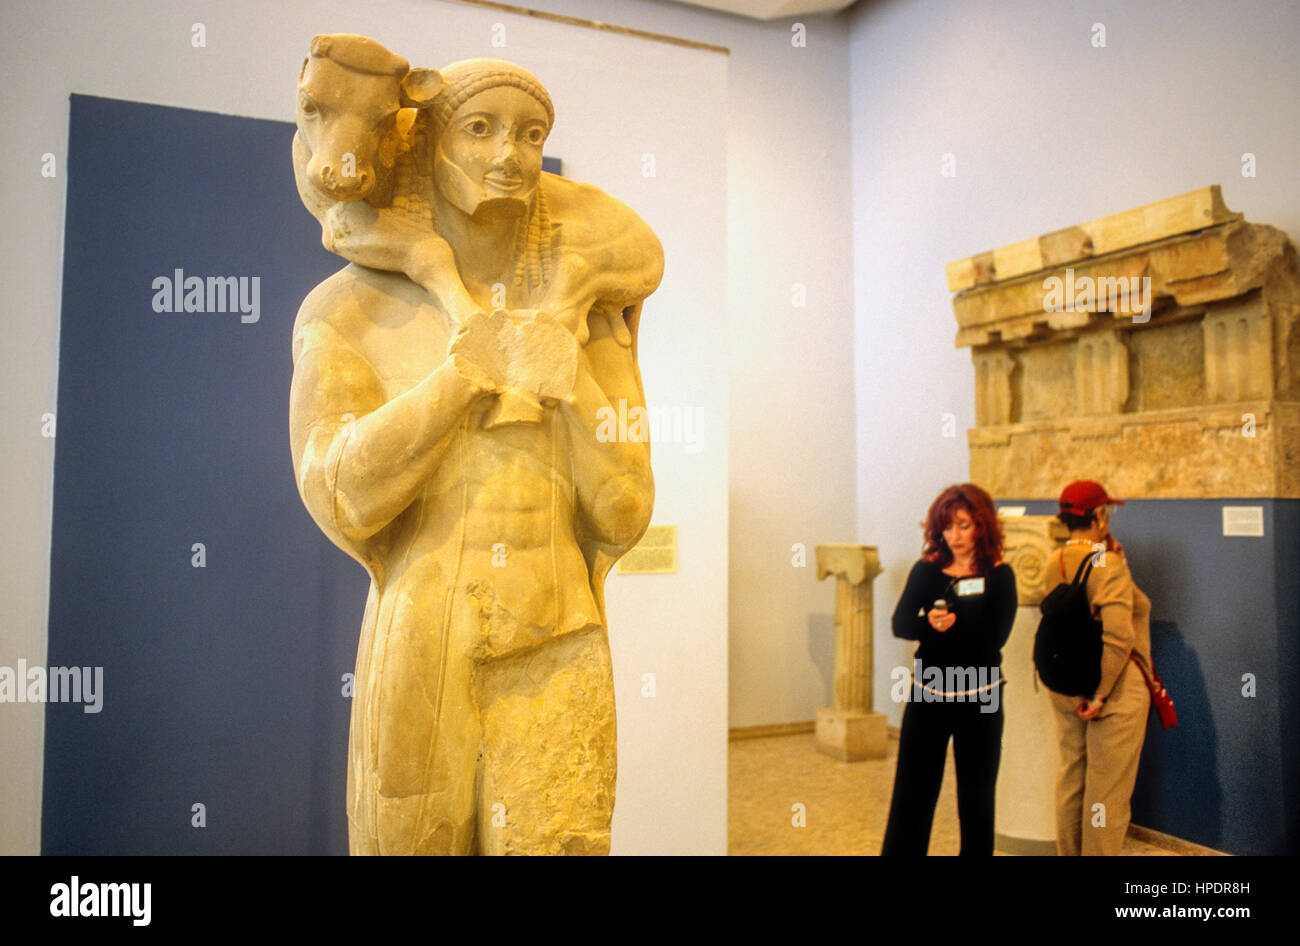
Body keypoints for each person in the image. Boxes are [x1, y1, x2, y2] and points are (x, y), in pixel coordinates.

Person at [289, 54, 663, 855]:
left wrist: (570, 383)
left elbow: (627, 507)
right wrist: (461, 379)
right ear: (426, 144)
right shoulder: (345, 312)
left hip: (558, 631)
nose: (509, 155)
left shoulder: (588, 321)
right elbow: (341, 494)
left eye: (531, 135)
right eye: (481, 128)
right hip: (427, 637)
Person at [882, 483, 1017, 855]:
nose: (954, 536)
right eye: (947, 527)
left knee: (977, 797)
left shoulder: (1000, 577)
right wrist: (931, 626)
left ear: (982, 525)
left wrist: (948, 628)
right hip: (930, 693)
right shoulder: (926, 571)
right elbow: (901, 623)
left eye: (963, 525)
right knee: (912, 792)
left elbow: (994, 639)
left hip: (982, 697)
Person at [1044, 480, 1152, 856]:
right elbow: (1120, 638)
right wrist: (1100, 694)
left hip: (1064, 686)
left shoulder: (1052, 561)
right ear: (1100, 516)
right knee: (1106, 795)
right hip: (1113, 691)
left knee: (1072, 777)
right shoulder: (1110, 565)